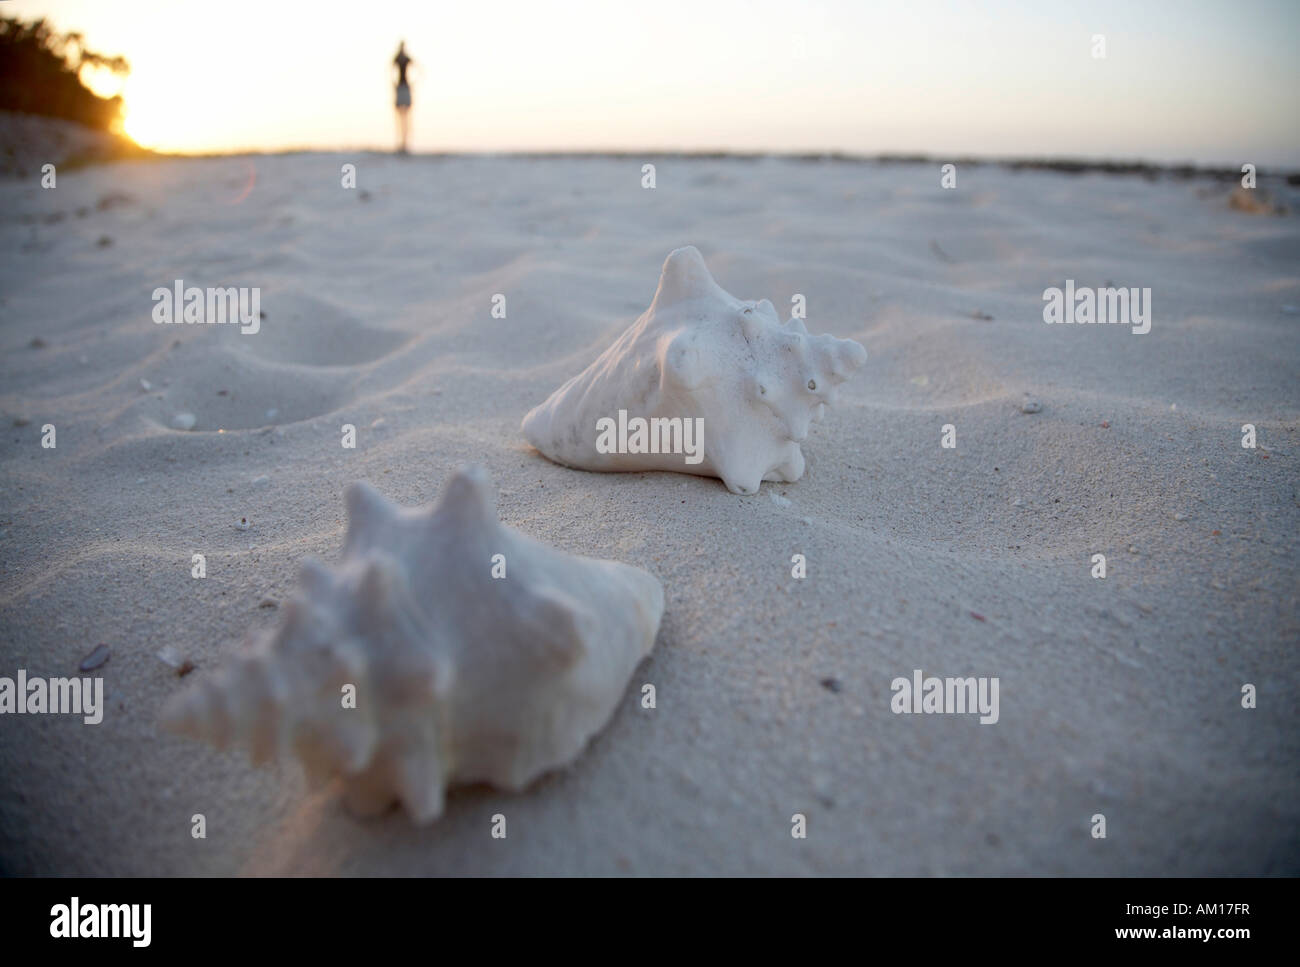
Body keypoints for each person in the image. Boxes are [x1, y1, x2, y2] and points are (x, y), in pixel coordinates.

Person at [393, 42, 413, 153]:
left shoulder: (404, 59)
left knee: (405, 117)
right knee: (401, 117)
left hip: (403, 87)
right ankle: (401, 142)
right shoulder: (399, 58)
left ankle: (405, 142)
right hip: (402, 88)